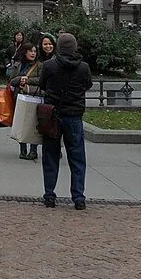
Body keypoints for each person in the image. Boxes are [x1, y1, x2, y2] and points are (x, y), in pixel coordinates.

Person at [39, 31, 92, 209]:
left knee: (50, 156)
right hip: (74, 115)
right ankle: (78, 197)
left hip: (53, 115)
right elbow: (88, 85)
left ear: (59, 47)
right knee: (77, 157)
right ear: (75, 47)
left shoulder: (49, 65)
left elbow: (43, 84)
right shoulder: (83, 67)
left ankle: (49, 195)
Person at [9, 43, 41, 160]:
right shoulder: (19, 65)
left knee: (33, 124)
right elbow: (12, 80)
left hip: (34, 97)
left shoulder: (39, 66)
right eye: (30, 51)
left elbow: (41, 80)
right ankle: (23, 150)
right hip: (20, 97)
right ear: (25, 52)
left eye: (35, 51)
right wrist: (20, 79)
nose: (33, 53)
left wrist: (28, 80)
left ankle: (33, 151)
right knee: (20, 123)